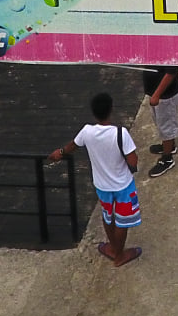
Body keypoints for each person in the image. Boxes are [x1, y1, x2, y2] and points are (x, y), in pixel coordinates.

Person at [50, 92, 142, 266]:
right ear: (111, 110)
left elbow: (71, 146)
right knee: (122, 221)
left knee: (108, 217)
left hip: (102, 186)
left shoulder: (87, 132)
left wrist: (59, 153)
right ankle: (120, 256)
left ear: (94, 113)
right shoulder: (120, 134)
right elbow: (133, 160)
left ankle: (114, 249)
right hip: (123, 185)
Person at [142, 66, 178, 176]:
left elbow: (171, 73)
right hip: (156, 95)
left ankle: (167, 159)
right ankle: (169, 146)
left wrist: (157, 95)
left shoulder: (169, 51)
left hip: (165, 96)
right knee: (160, 122)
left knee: (166, 127)